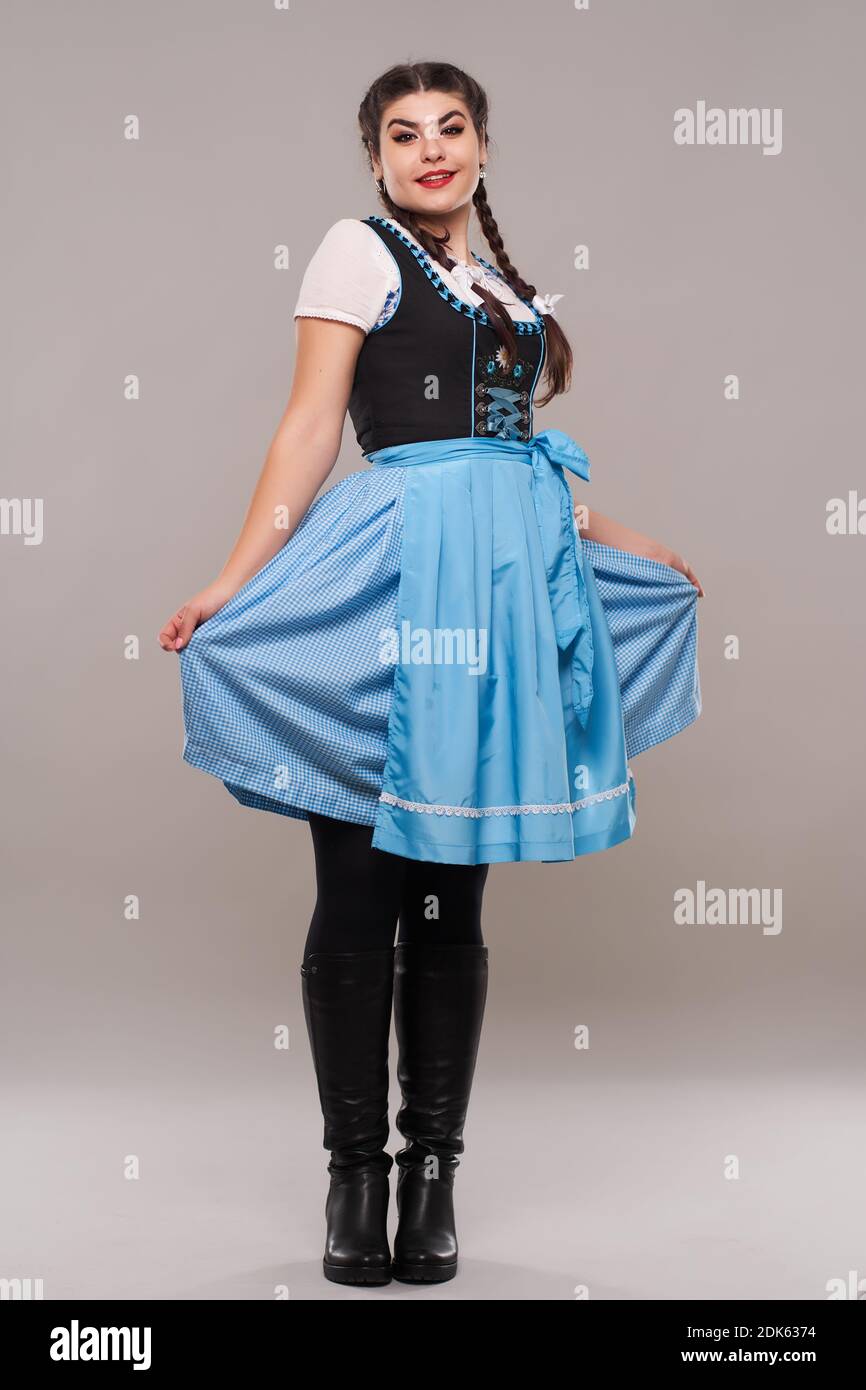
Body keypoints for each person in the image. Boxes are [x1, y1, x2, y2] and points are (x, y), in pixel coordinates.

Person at [159, 61, 703, 1288]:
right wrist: (234, 580)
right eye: (403, 135)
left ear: (482, 146)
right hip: (404, 577)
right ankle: (354, 1173)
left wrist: (621, 541)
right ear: (375, 160)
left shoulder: (504, 282)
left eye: (450, 129)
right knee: (361, 880)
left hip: (507, 583)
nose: (430, 150)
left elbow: (519, 458)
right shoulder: (355, 253)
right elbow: (309, 426)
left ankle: (433, 1173)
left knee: (452, 891)